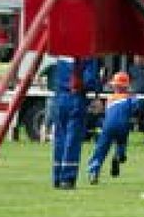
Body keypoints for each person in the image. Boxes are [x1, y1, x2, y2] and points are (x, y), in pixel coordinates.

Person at [51, 57, 100, 189]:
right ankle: (67, 178)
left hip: (59, 97)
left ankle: (57, 176)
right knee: (73, 139)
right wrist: (96, 91)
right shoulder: (86, 56)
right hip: (75, 98)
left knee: (60, 138)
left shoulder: (62, 55)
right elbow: (89, 80)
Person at [86, 71, 139, 184]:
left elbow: (105, 113)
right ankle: (119, 156)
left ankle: (94, 171)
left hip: (108, 126)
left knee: (101, 149)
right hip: (123, 126)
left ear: (114, 86)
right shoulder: (130, 98)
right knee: (121, 143)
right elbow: (136, 108)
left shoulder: (110, 98)